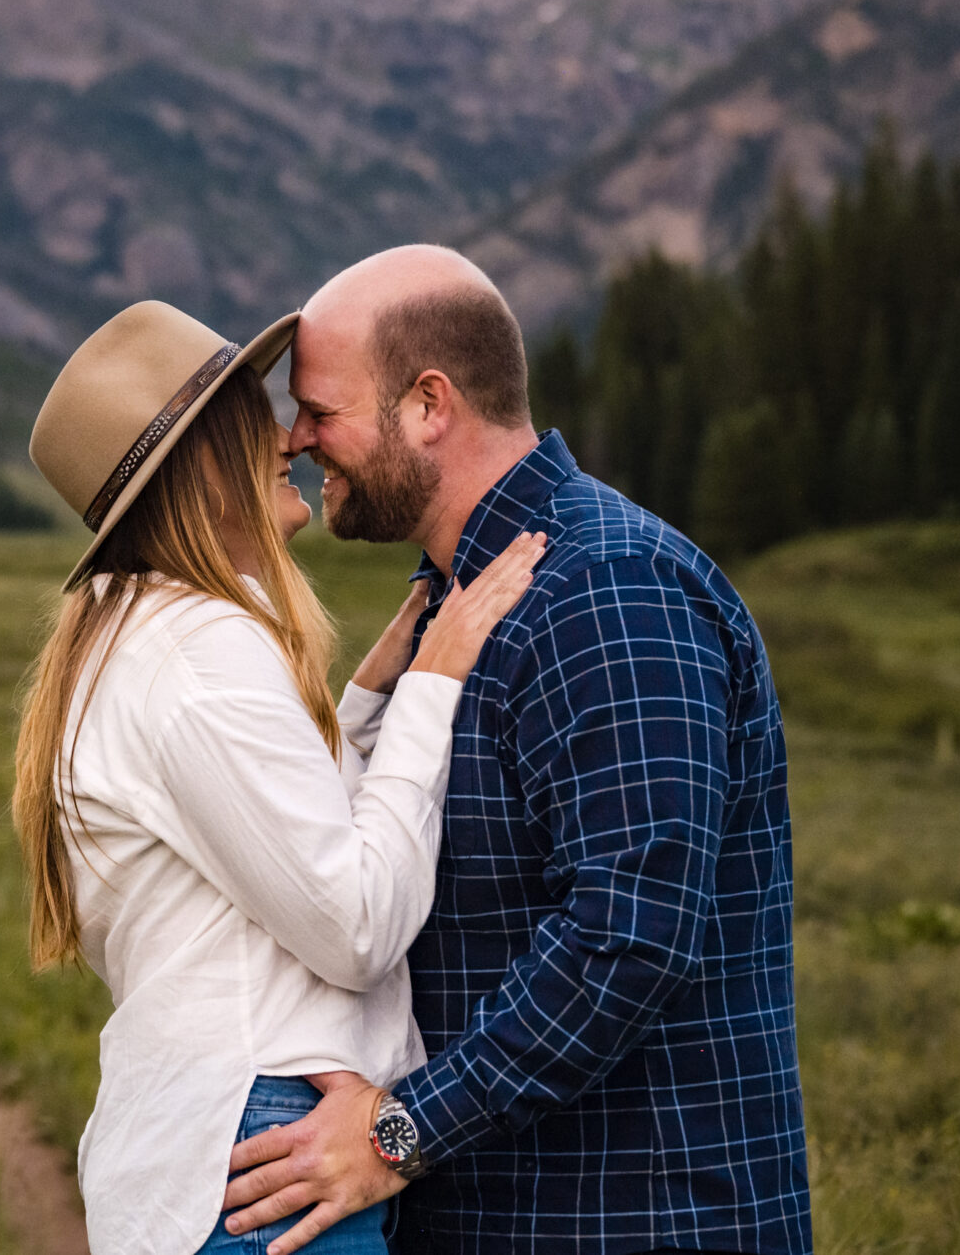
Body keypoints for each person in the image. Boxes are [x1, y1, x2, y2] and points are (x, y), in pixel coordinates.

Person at [219, 246, 811, 1255]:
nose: (298, 438)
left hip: (635, 1216)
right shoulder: (461, 598)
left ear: (428, 404)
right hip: (509, 1211)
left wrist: (399, 1133)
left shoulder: (607, 591)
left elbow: (627, 936)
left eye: (320, 409)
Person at [18, 299, 546, 1255]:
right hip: (269, 1155)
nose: (284, 437)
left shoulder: (140, 634)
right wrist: (433, 688)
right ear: (195, 470)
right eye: (241, 420)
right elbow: (354, 925)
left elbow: (252, 846)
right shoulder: (202, 652)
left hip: (229, 1144)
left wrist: (368, 708)